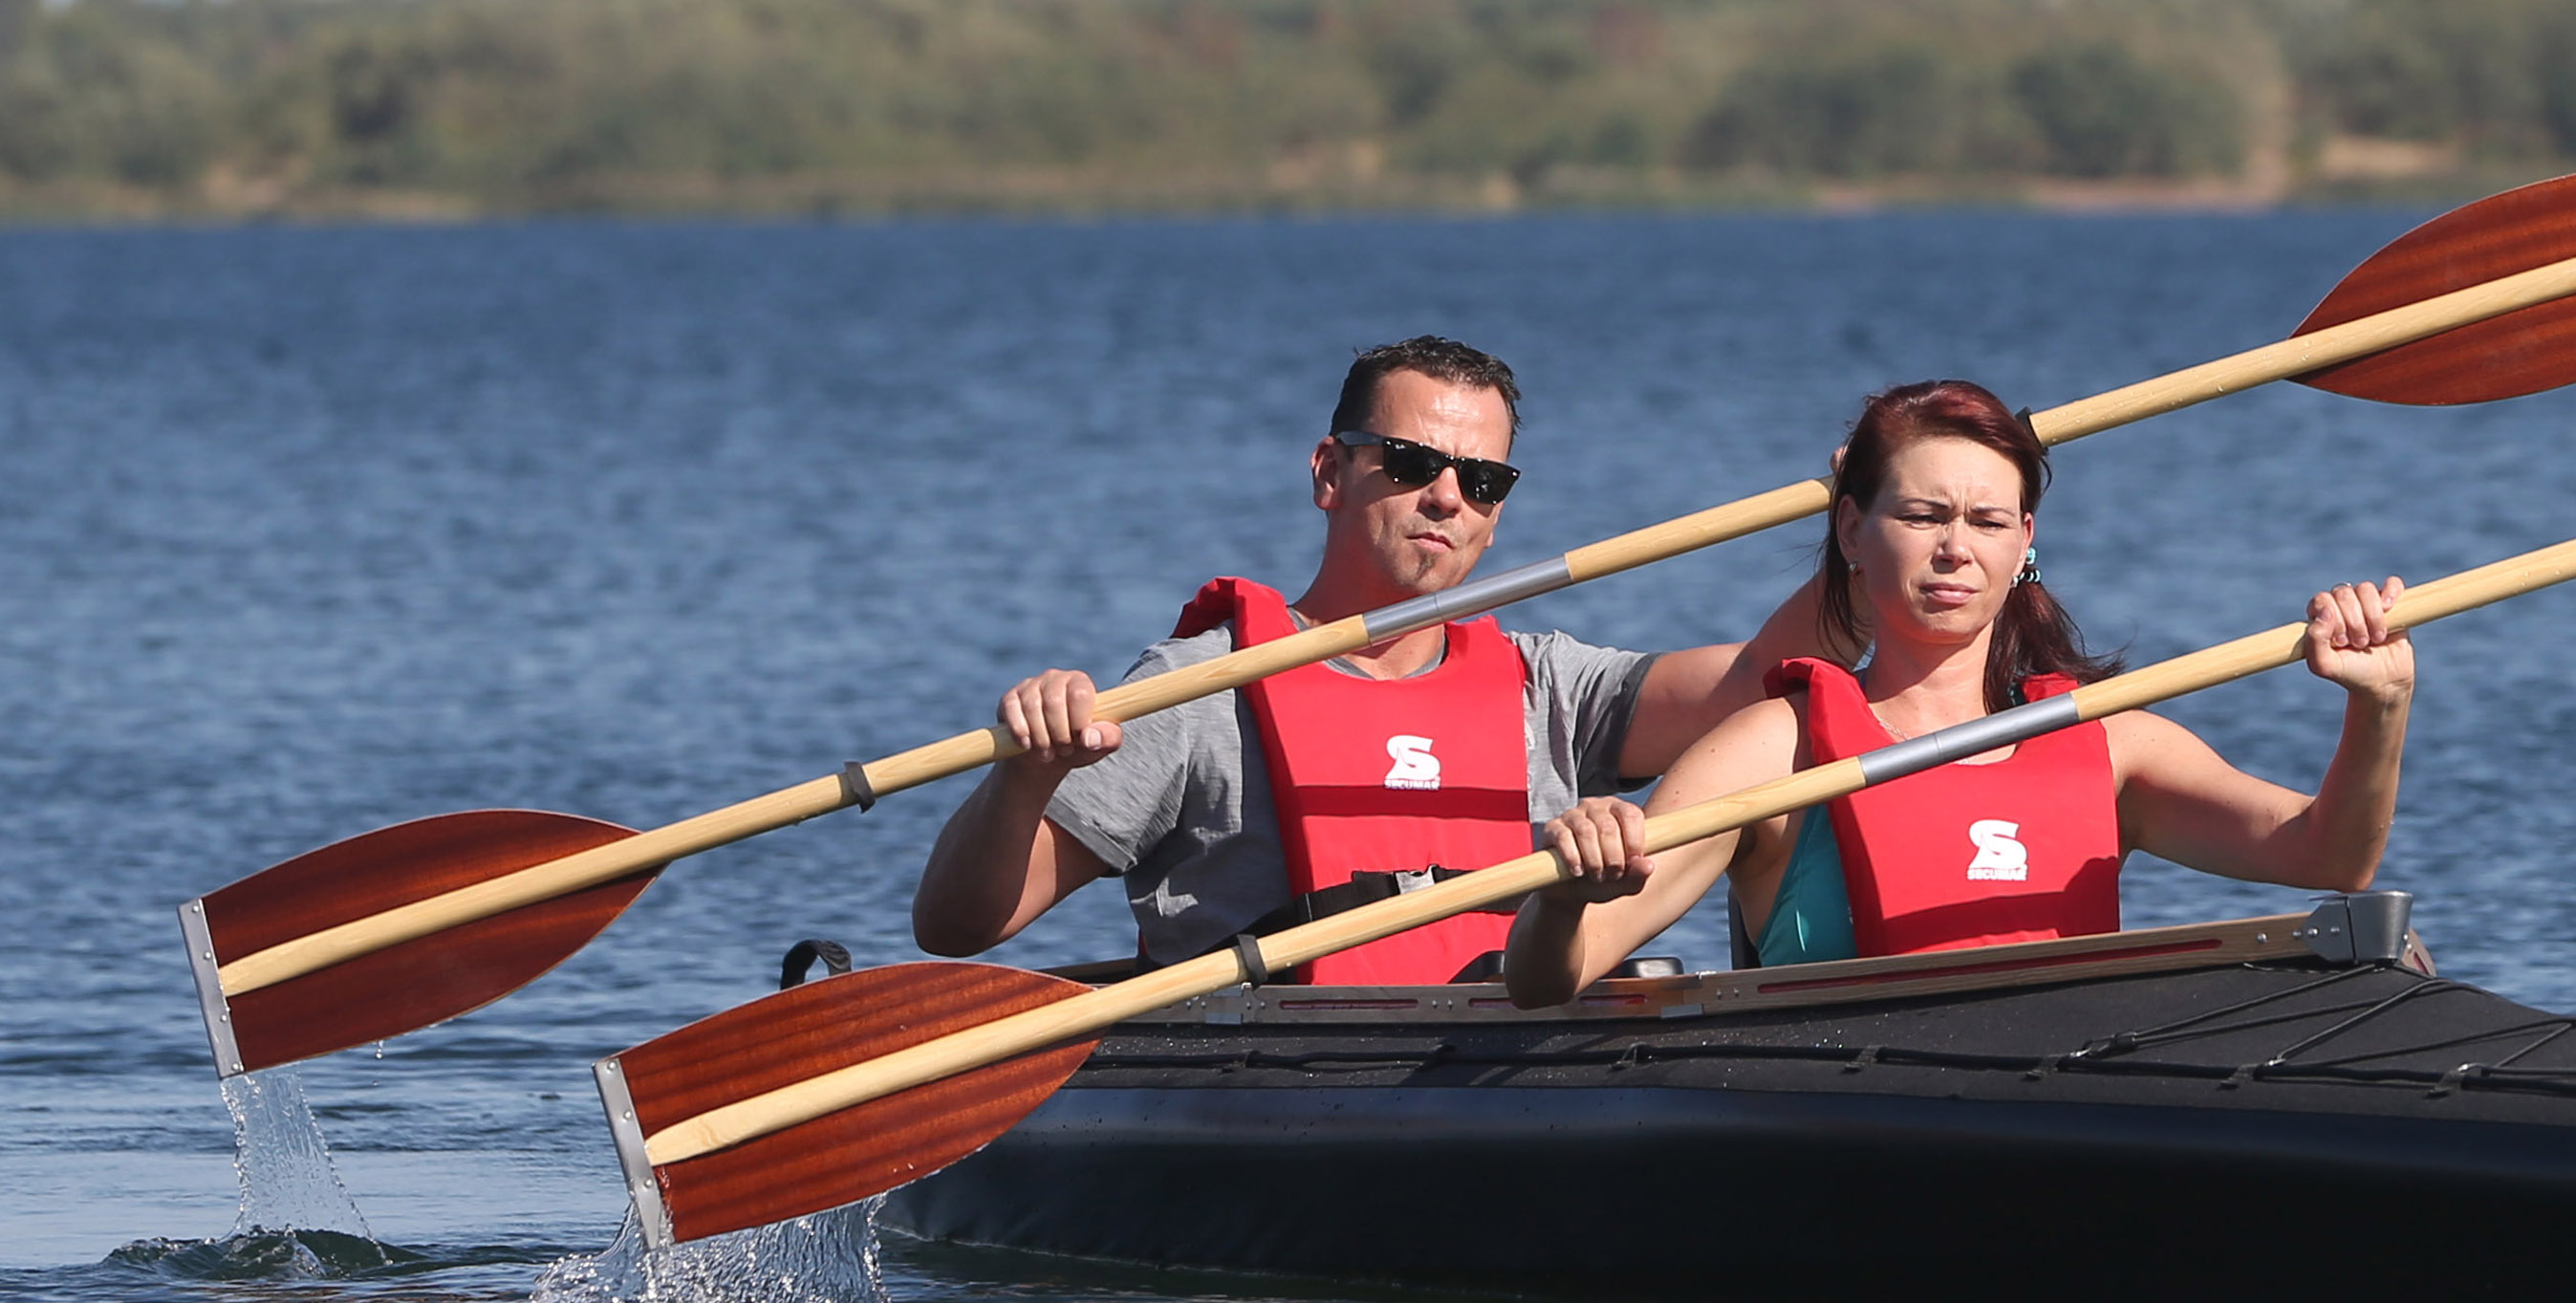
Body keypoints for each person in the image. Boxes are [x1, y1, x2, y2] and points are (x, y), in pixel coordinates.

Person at [914, 335, 1830, 983]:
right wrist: (1024, 777)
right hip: (1279, 1085)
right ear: (1328, 474)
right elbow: (960, 926)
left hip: (1503, 1065)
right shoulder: (1199, 687)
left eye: (1480, 481)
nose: (1445, 497)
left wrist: (1871, 539)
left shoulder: (1549, 685)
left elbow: (1764, 685)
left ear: (1498, 510)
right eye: (1406, 462)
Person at [1504, 378, 2413, 1003]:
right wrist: (1568, 891)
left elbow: (2328, 858)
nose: (1955, 550)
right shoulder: (1767, 750)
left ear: (2025, 542)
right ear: (1853, 530)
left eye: (1985, 521)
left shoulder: (2110, 740)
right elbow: (1554, 977)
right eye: (1922, 515)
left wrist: (2378, 708)